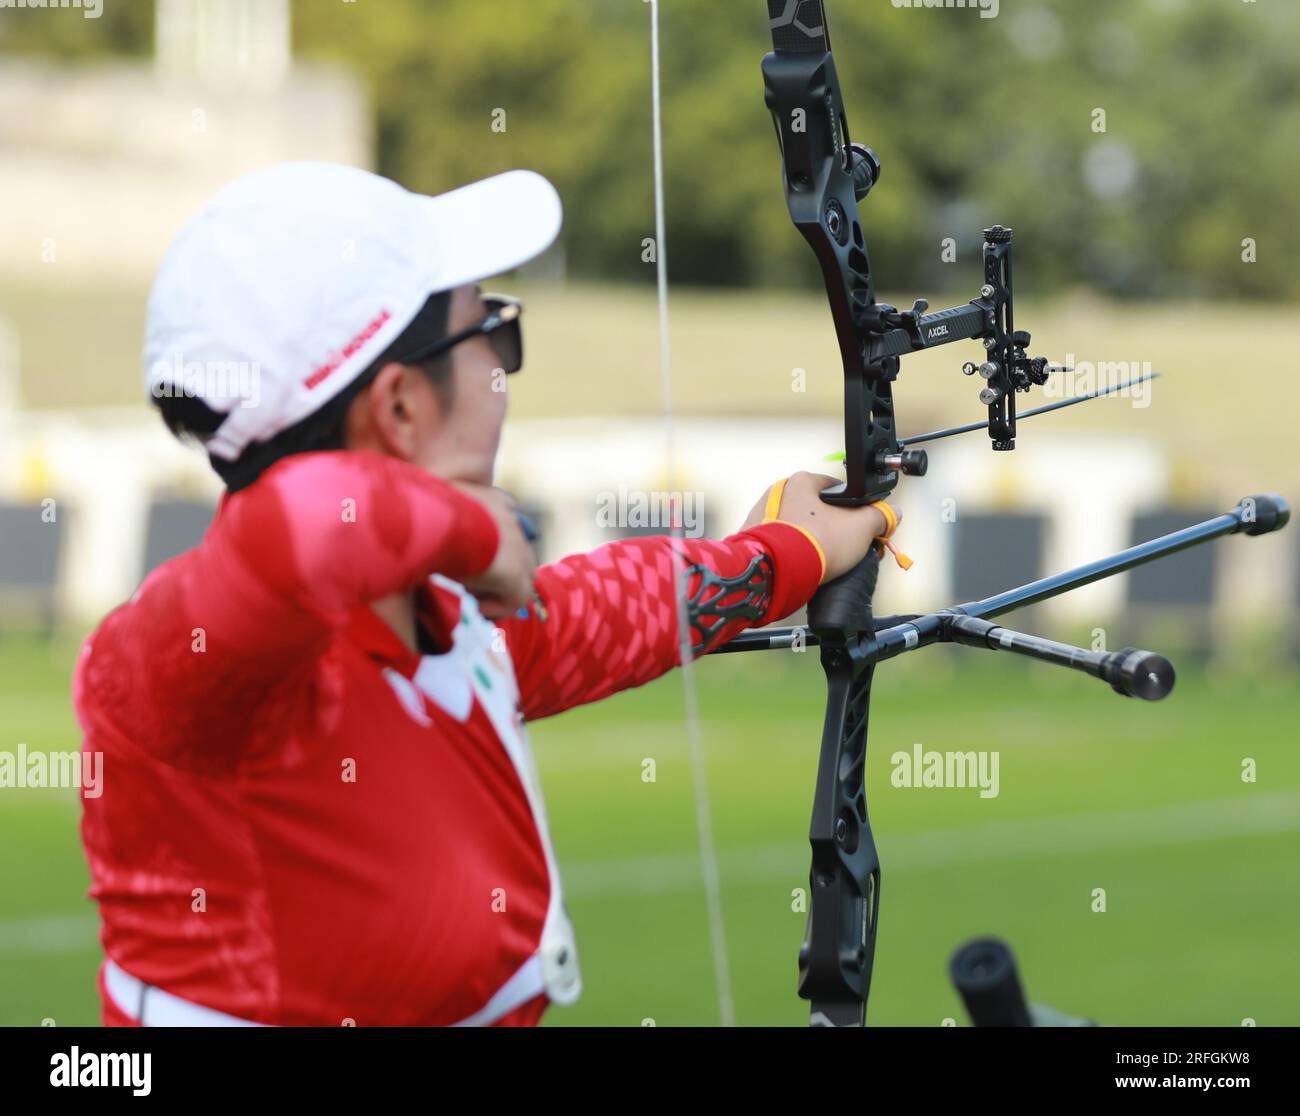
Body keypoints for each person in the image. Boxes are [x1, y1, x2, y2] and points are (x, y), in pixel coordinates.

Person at [74, 161, 900, 1026]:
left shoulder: (441, 625)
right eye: (493, 334)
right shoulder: (173, 670)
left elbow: (609, 610)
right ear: (400, 409)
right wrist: (469, 529)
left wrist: (788, 551)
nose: (507, 366)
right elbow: (301, 519)